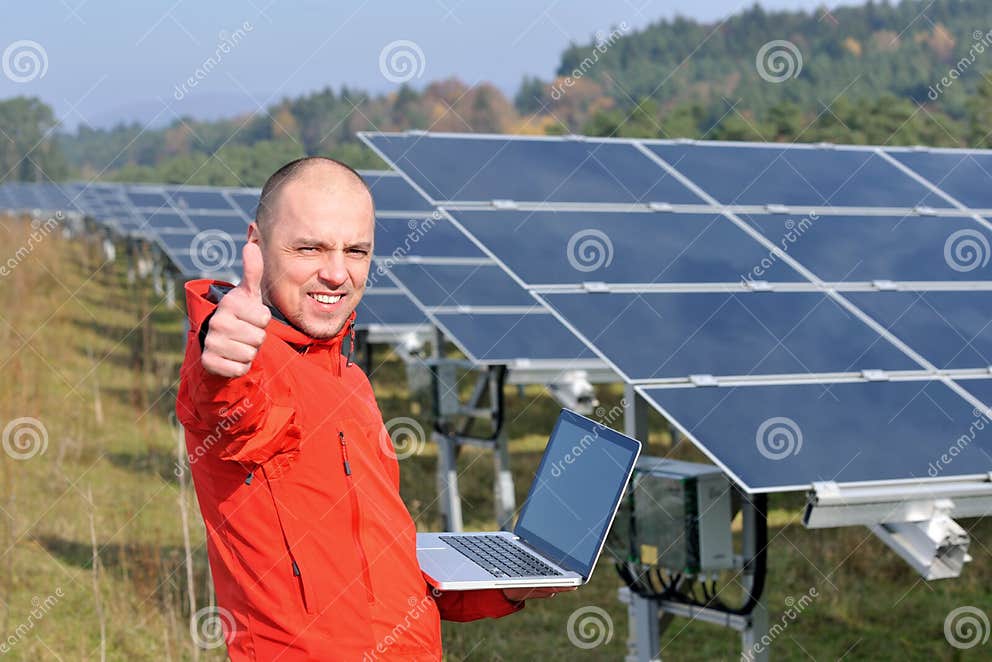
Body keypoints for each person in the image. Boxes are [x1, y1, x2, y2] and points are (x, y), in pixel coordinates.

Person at [175, 157, 574, 661]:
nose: (337, 272)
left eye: (356, 250)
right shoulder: (252, 366)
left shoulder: (349, 379)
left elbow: (380, 571)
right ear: (255, 244)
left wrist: (506, 588)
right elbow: (229, 407)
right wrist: (219, 348)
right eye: (310, 248)